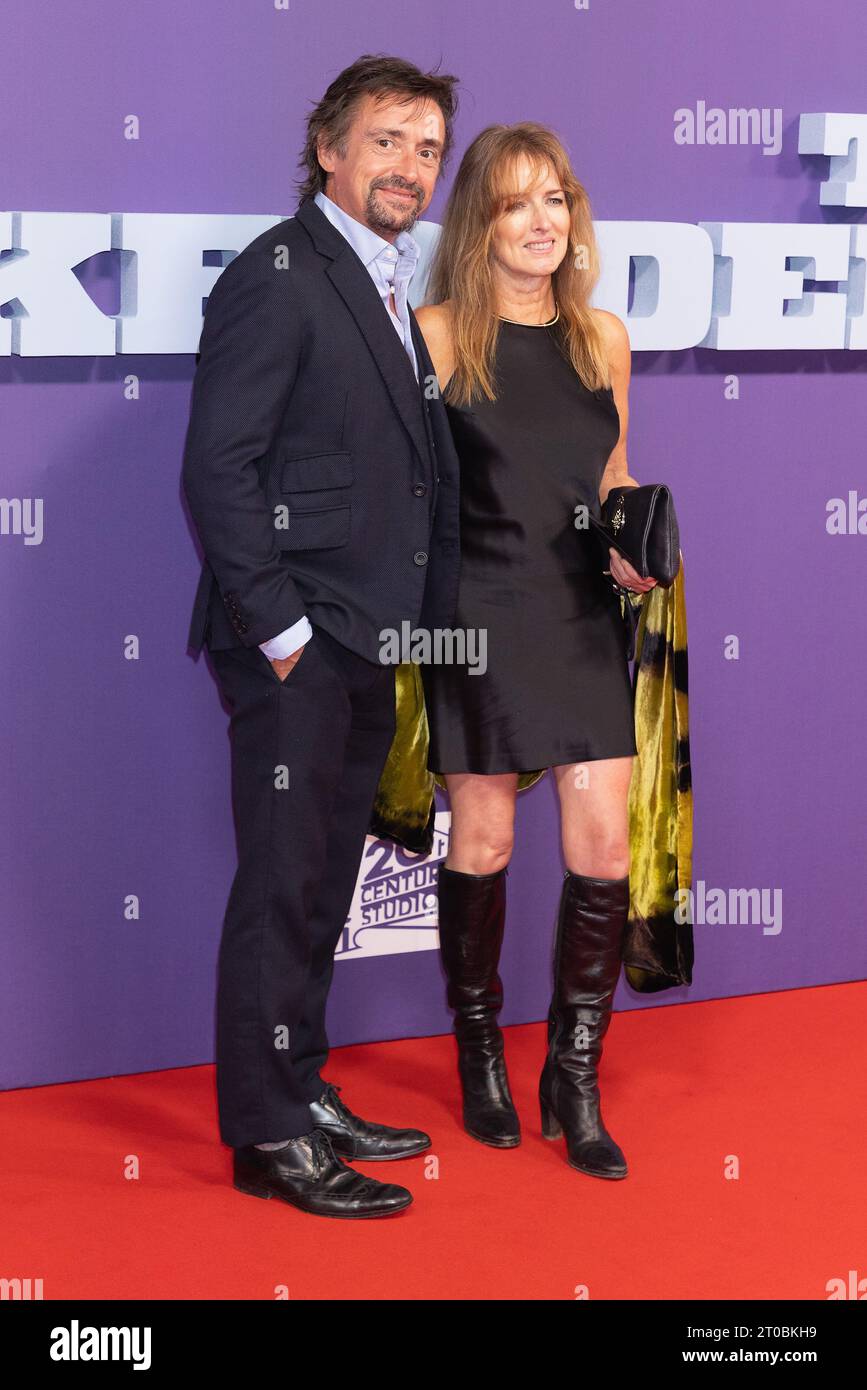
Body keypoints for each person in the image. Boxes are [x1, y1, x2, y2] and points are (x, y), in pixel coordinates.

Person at [181, 55, 461, 1219]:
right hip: (299, 640)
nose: (409, 166)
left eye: (428, 148)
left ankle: (300, 1084)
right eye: (387, 141)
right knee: (285, 885)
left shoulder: (388, 283)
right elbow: (219, 469)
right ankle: (267, 1136)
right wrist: (283, 629)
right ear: (330, 150)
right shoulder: (279, 273)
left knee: (321, 882)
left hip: (366, 637)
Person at [415, 122, 656, 1180]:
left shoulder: (602, 338)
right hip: (476, 610)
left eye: (554, 199)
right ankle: (480, 1052)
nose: (541, 222)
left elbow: (610, 472)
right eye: (516, 204)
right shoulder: (431, 336)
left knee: (605, 850)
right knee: (486, 841)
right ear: (481, 223)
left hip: (577, 609)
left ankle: (576, 1068)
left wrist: (633, 546)